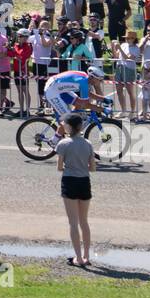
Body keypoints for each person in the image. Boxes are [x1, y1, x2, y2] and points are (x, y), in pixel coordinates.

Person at [56, 113, 95, 267]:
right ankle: (86, 255)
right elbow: (92, 167)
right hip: (84, 181)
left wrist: (69, 166)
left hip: (69, 181)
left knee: (73, 222)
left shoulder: (63, 144)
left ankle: (78, 257)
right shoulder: (88, 143)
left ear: (69, 126)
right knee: (84, 221)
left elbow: (59, 167)